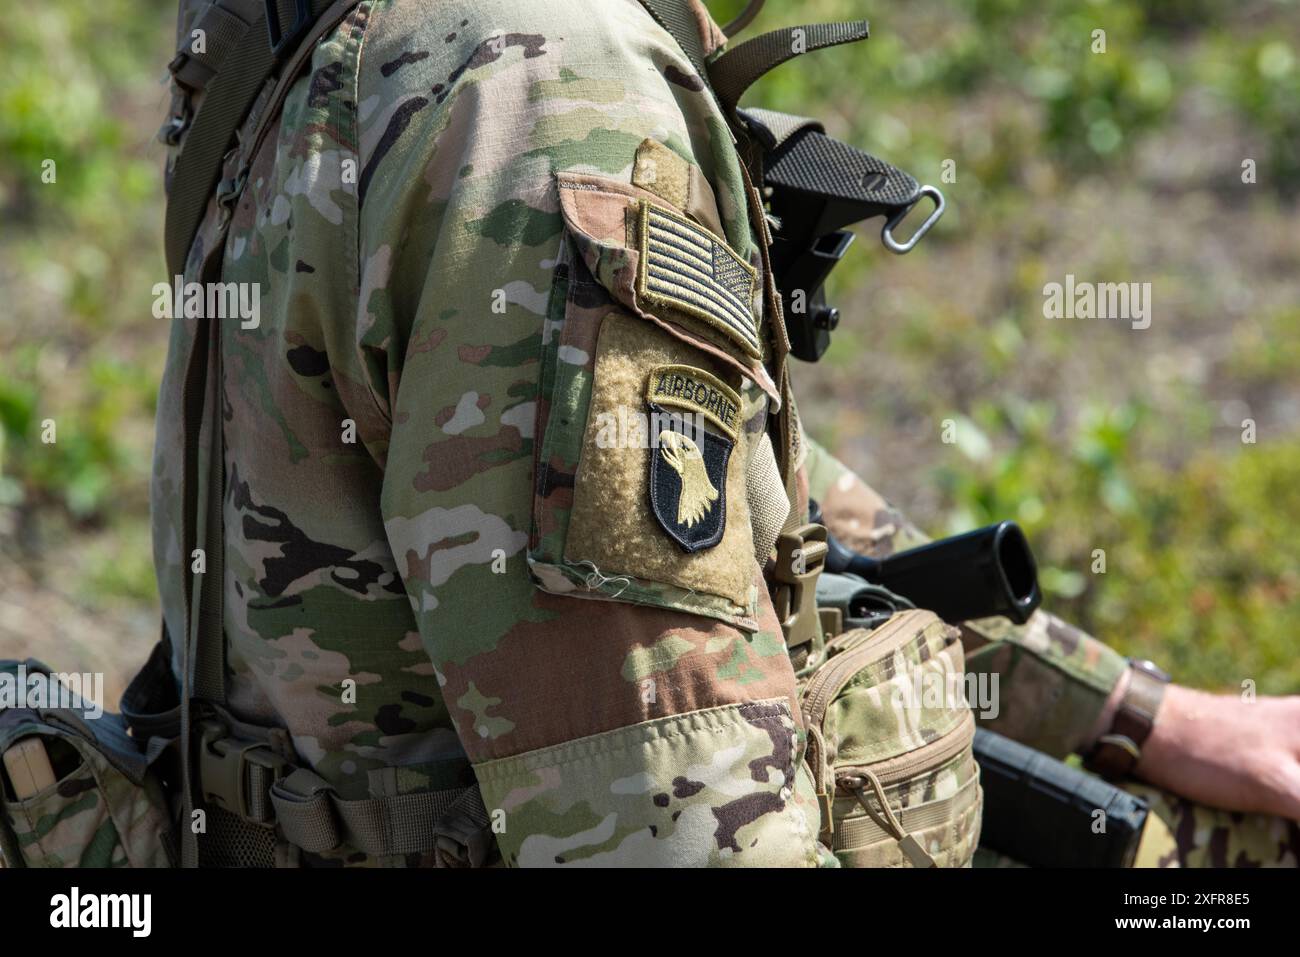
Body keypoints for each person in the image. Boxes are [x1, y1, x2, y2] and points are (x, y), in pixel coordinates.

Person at [150, 0, 1298, 866]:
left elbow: (668, 469)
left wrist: (1125, 713)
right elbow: (670, 828)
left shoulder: (379, 29)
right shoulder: (552, 90)